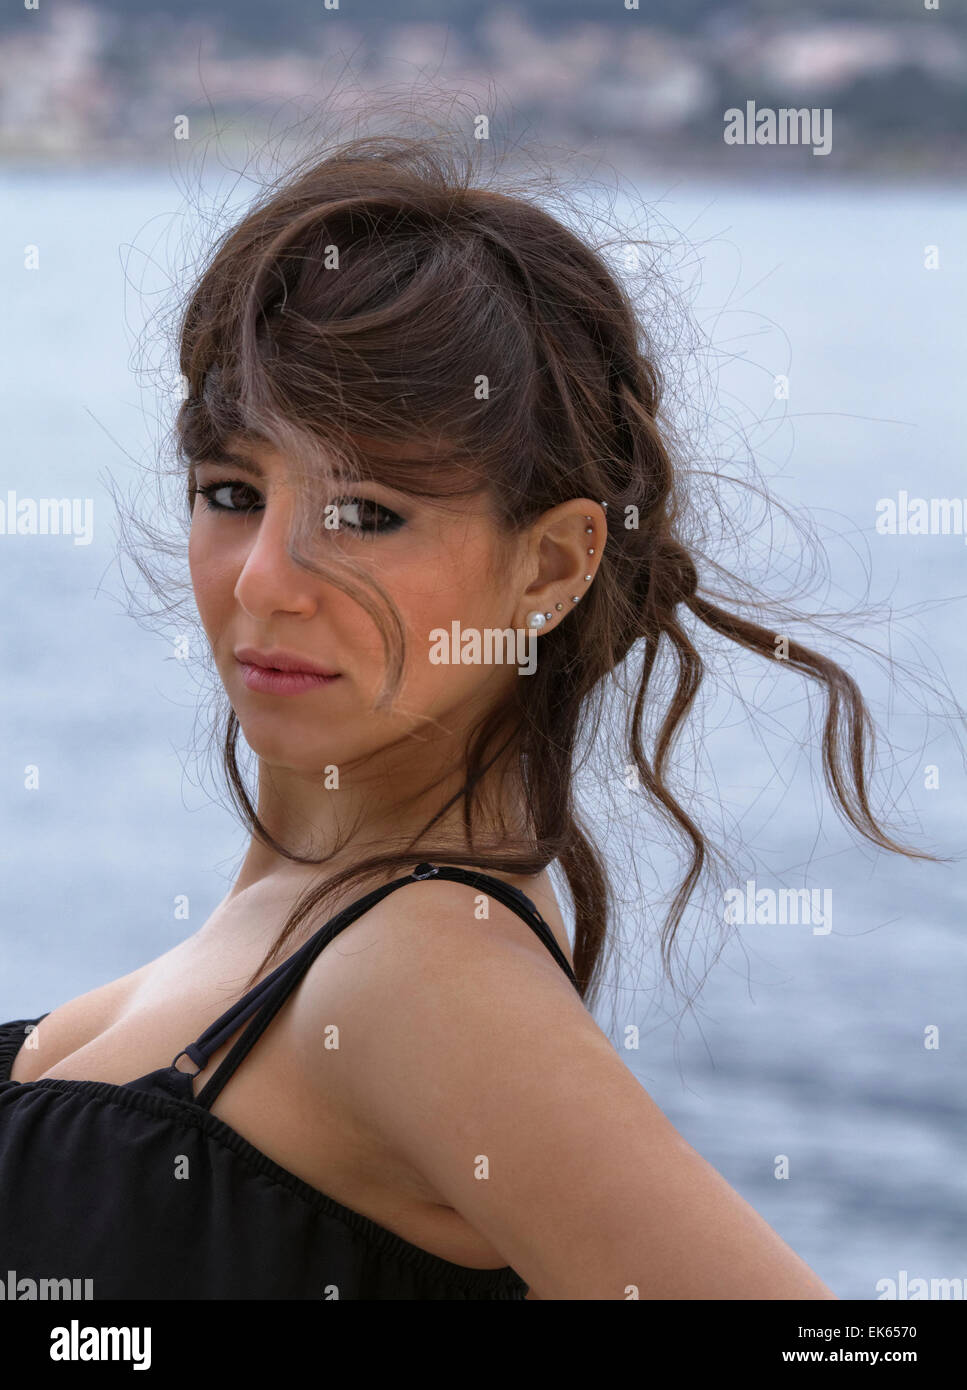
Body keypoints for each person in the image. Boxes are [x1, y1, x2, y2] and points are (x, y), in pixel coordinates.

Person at [0, 127, 921, 1300]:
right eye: (232, 493)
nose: (262, 578)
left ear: (548, 567)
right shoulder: (313, 923)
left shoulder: (423, 975)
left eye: (368, 513)